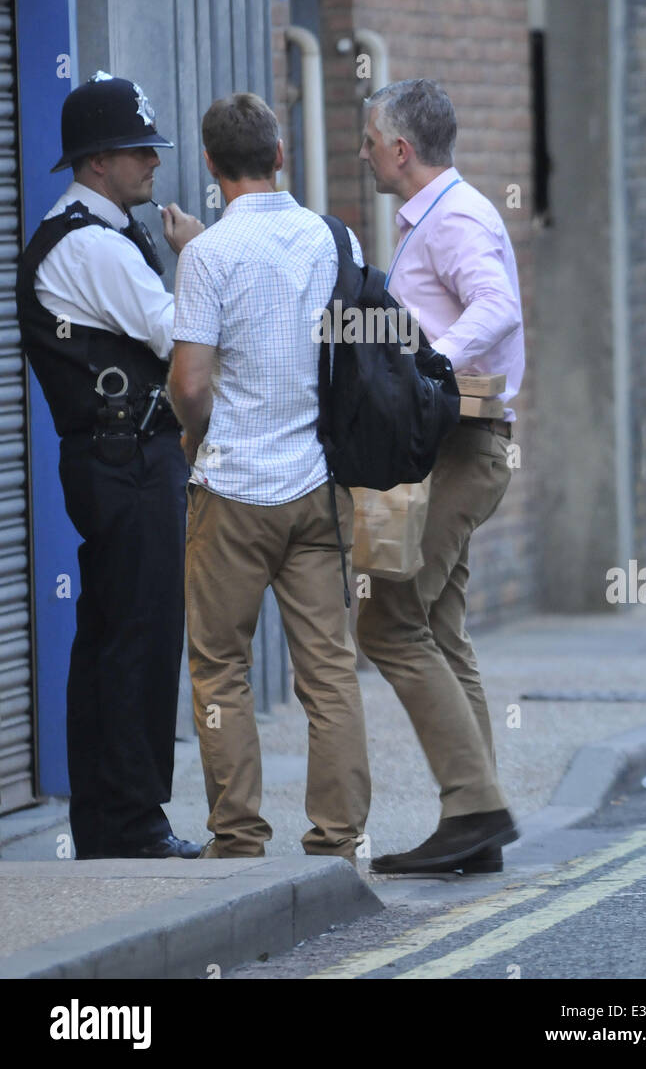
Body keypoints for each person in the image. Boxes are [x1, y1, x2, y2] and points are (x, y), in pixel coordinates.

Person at [168, 91, 371, 861]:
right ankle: (337, 837)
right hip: (315, 486)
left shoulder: (209, 256)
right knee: (328, 670)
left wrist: (197, 436)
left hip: (230, 489)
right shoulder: (332, 240)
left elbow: (190, 385)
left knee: (220, 669)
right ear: (281, 156)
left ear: (212, 166)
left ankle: (239, 835)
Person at [16, 71, 205, 859]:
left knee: (109, 635)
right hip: (127, 462)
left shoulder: (90, 234)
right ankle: (132, 823)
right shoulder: (93, 246)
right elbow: (179, 334)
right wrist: (198, 258)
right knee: (142, 634)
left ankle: (106, 820)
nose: (152, 163)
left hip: (112, 460)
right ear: (97, 163)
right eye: (138, 150)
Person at [357, 78, 525, 875]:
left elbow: (495, 306)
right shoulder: (436, 217)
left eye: (367, 140)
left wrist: (432, 364)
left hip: (464, 446)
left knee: (388, 621)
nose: (361, 152)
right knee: (443, 631)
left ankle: (476, 808)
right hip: (454, 445)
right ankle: (477, 818)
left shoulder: (455, 217)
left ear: (400, 149)